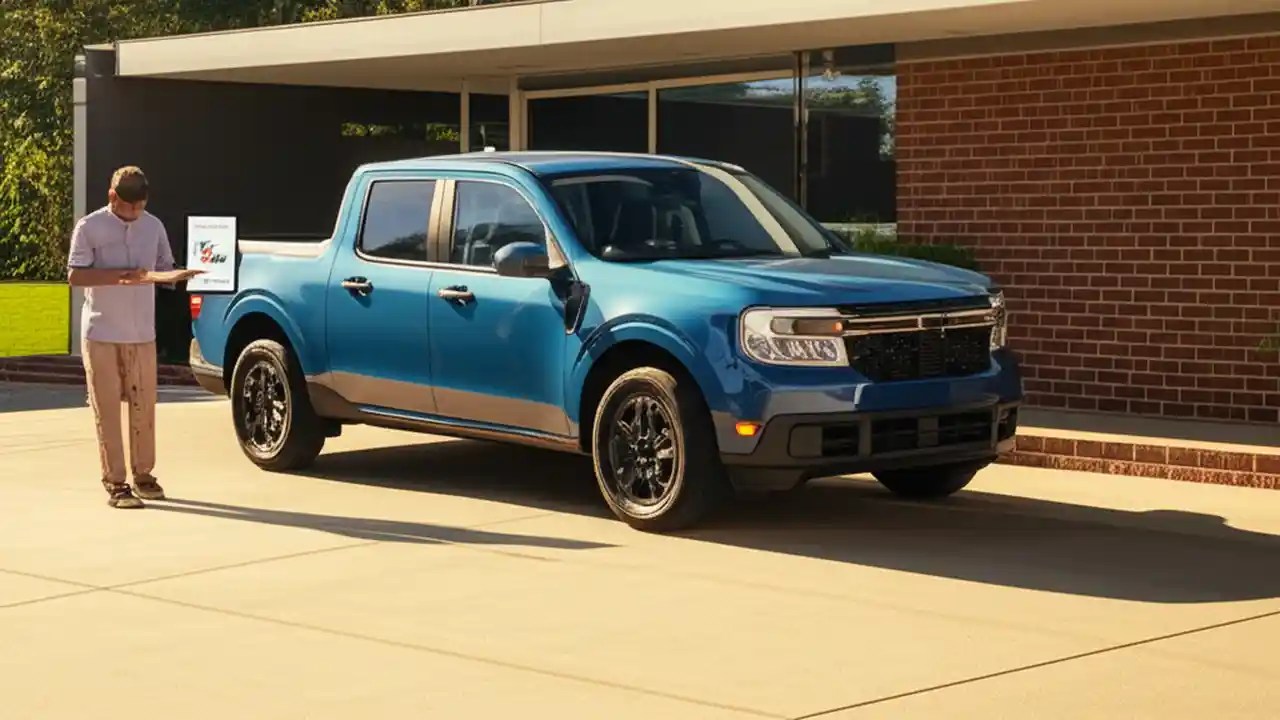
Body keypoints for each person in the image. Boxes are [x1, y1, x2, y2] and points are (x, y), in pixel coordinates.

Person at [67, 166, 203, 509]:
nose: (135, 214)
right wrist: (120, 276)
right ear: (113, 197)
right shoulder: (90, 226)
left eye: (140, 207)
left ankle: (144, 474)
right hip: (101, 330)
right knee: (108, 408)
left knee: (145, 407)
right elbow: (75, 275)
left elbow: (163, 265)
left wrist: (176, 275)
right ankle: (115, 482)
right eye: (129, 207)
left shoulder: (153, 226)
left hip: (142, 331)